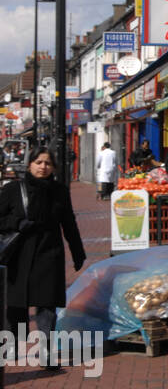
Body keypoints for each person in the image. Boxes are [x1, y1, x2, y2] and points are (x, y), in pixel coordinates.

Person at [0, 148, 86, 367]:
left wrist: (78, 252)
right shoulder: (13, 190)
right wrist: (16, 223)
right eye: (38, 162)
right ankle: (12, 346)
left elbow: (69, 222)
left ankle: (46, 353)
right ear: (29, 164)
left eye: (47, 163)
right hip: (18, 255)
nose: (43, 166)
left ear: (54, 167)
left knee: (47, 307)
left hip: (48, 254)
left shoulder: (59, 191)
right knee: (16, 306)